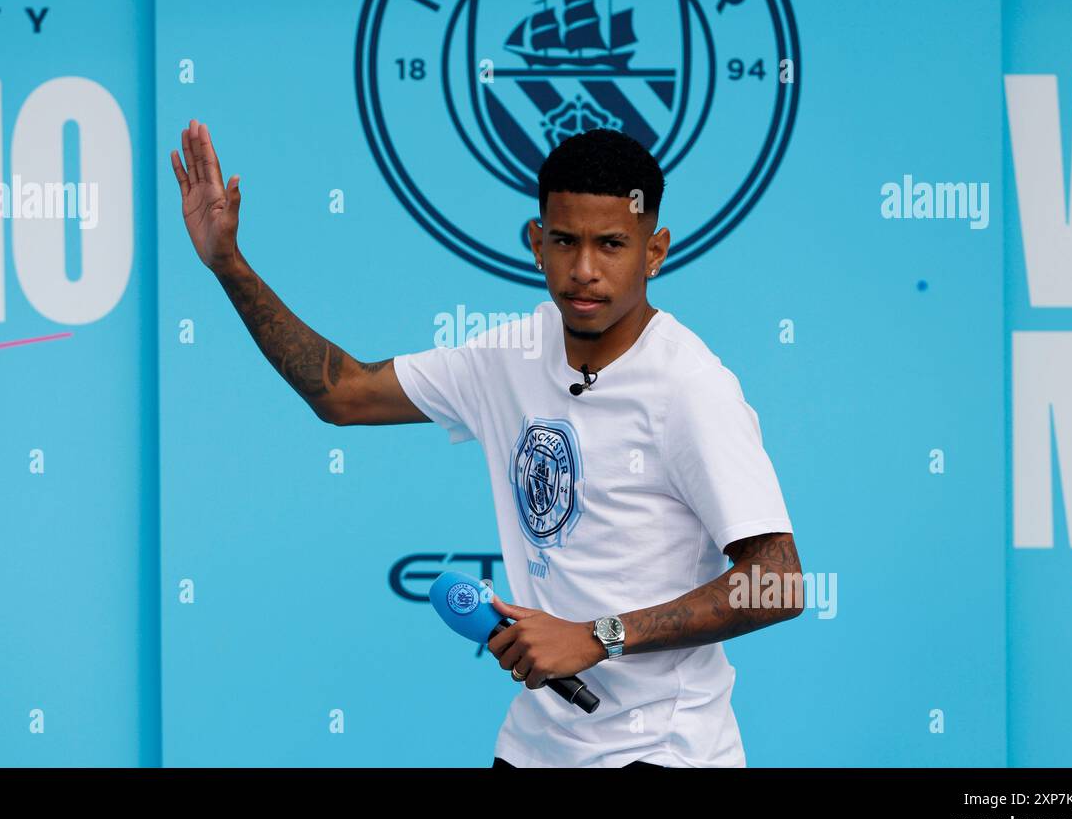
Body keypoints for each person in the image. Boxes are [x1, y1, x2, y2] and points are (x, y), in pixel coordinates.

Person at [169, 120, 803, 768]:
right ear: (536, 243)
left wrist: (599, 636)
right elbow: (344, 393)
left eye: (612, 244)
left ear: (655, 250)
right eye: (564, 241)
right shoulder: (509, 356)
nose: (584, 270)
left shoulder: (691, 387)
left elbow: (779, 583)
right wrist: (228, 264)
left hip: (661, 751)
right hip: (535, 748)